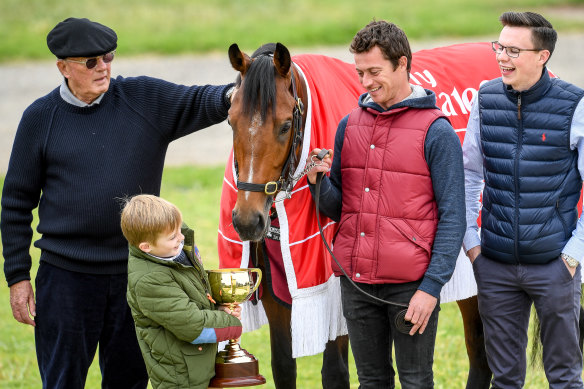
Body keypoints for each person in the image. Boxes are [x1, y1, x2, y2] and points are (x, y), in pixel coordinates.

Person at [0, 17, 235, 389]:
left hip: (139, 275)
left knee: (129, 382)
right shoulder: (39, 118)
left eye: (108, 57)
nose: (103, 67)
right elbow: (15, 202)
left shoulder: (143, 99)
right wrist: (17, 277)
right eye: (90, 62)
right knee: (61, 381)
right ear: (63, 67)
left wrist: (236, 94)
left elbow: (201, 100)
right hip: (65, 279)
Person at [306, 20, 466, 388]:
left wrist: (430, 289)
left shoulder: (436, 131)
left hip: (410, 288)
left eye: (375, 71)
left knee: (415, 381)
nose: (366, 82)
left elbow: (454, 218)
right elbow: (340, 207)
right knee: (371, 381)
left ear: (403, 64)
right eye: (360, 72)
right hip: (356, 283)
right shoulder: (350, 125)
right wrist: (319, 182)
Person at [463, 11, 584, 388]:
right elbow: (469, 175)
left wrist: (573, 254)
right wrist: (473, 246)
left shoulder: (575, 106)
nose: (501, 56)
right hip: (495, 265)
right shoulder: (484, 99)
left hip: (554, 265)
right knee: (505, 379)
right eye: (499, 46)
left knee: (565, 378)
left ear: (542, 55)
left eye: (514, 50)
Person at [121, 194, 242, 389]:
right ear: (146, 247)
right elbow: (194, 326)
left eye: (179, 230)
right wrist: (232, 324)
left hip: (199, 365)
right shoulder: (149, 281)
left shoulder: (174, 251)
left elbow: (194, 293)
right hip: (181, 377)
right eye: (172, 237)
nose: (181, 236)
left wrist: (219, 308)